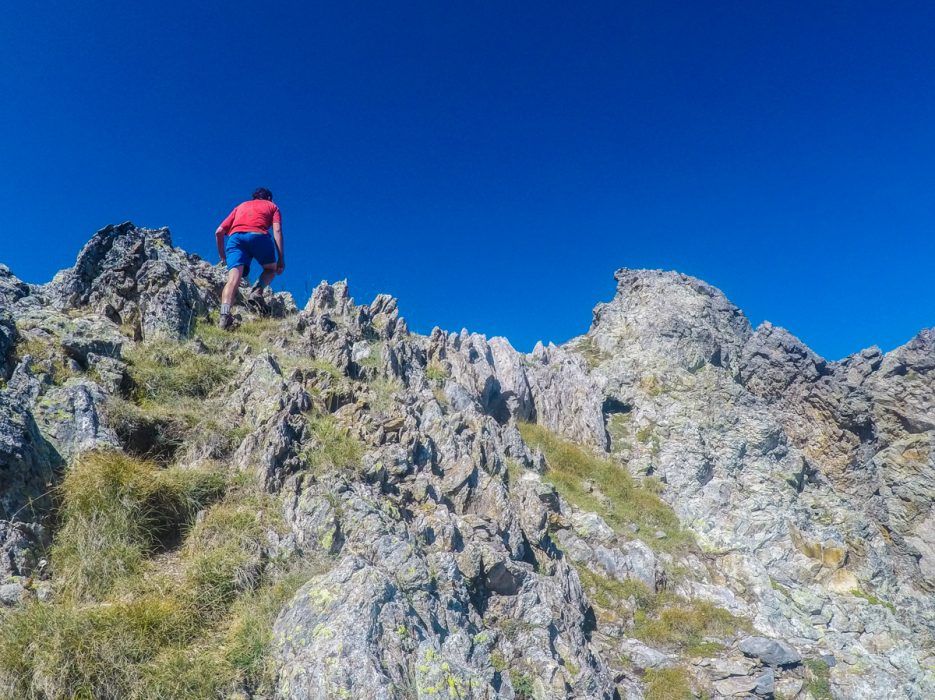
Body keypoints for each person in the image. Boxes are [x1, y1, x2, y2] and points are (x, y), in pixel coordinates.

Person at [215, 187, 285, 329]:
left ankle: (224, 315)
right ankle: (257, 291)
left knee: (233, 279)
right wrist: (281, 259)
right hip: (259, 236)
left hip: (236, 239)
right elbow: (277, 230)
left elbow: (219, 231)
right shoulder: (272, 206)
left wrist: (222, 254)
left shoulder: (241, 206)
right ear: (269, 198)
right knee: (270, 269)